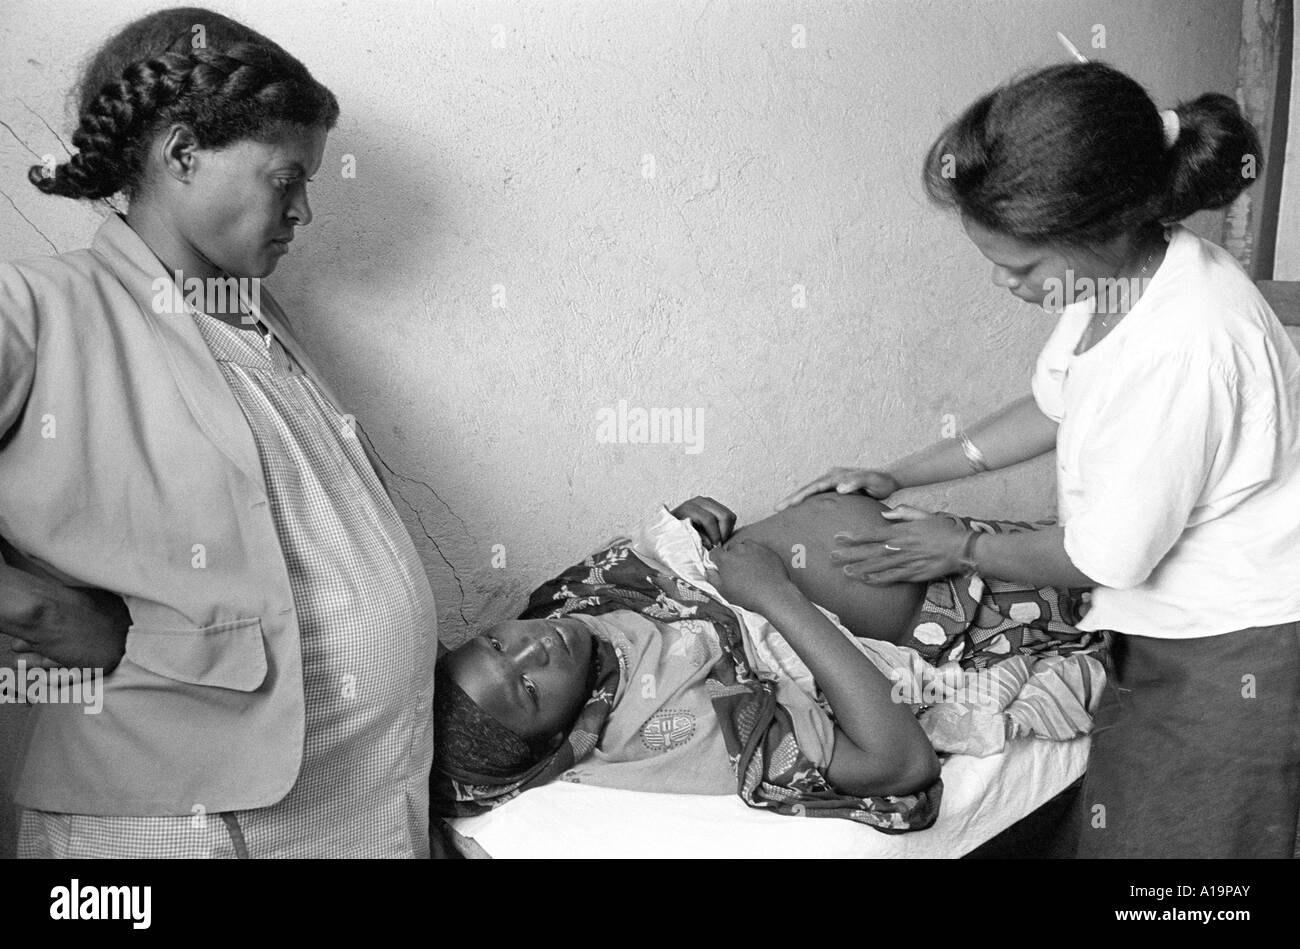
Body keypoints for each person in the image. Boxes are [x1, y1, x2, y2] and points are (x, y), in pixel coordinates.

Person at [779, 62, 1300, 858]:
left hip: (1236, 649)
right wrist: (902, 473)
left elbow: (1104, 556)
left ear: (1108, 222)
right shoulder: (1124, 279)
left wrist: (961, 546)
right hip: (1160, 631)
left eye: (1022, 266)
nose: (1003, 282)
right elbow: (1056, 403)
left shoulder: (1184, 343)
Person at [1, 8, 438, 857]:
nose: (303, 210)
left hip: (352, 798)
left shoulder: (254, 319)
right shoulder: (40, 307)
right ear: (182, 155)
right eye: (286, 178)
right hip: (182, 821)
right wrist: (40, 610)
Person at [429, 493, 1099, 824]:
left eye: (496, 643)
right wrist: (774, 595)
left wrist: (686, 527)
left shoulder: (565, 607)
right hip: (984, 612)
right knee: (1140, 576)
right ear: (556, 741)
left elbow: (657, 581)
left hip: (951, 542)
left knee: (1122, 535)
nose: (534, 647)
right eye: (528, 689)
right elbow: (899, 763)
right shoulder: (669, 726)